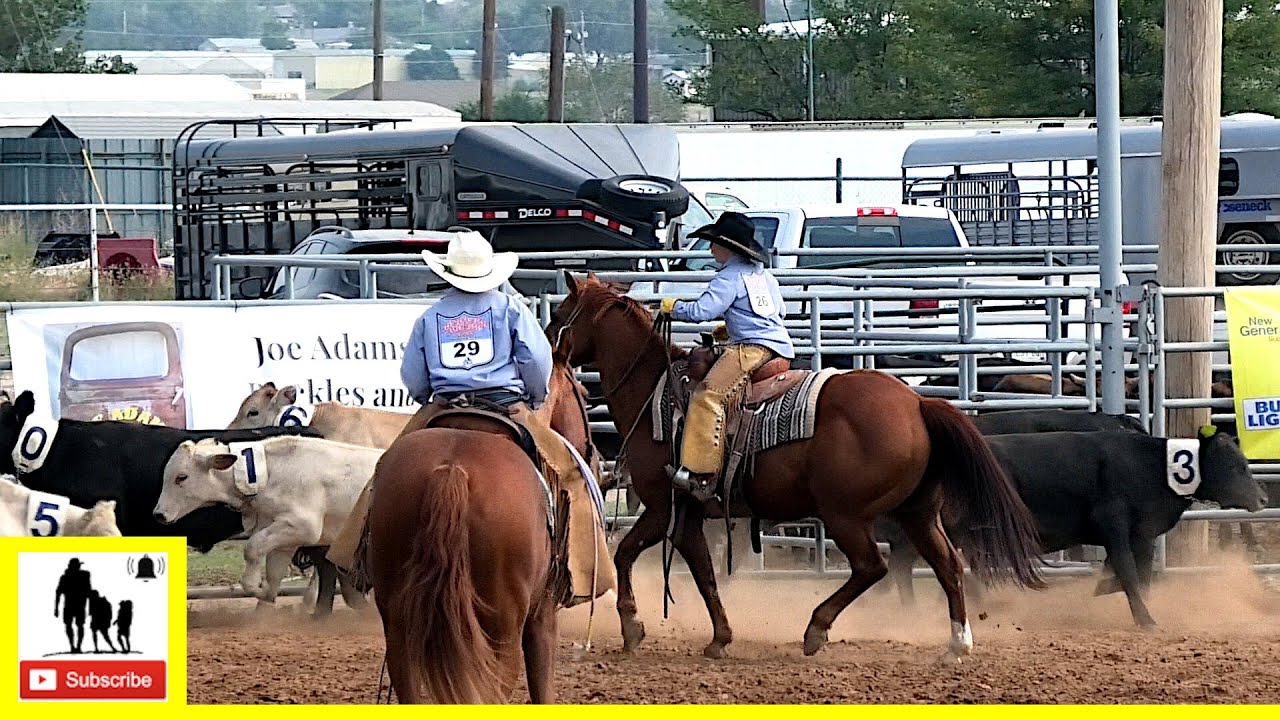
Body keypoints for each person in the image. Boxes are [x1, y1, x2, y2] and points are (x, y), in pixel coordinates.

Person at [326, 230, 615, 607]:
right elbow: (537, 362)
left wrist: (426, 398)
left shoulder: (431, 317)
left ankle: (355, 555)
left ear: (449, 272)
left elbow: (413, 375)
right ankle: (580, 574)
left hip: (444, 405)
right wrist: (535, 397)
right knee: (572, 475)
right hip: (505, 406)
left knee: (384, 472)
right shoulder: (511, 309)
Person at [659, 211, 795, 497]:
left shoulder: (728, 278)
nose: (710, 249)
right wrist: (734, 326)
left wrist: (674, 307)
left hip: (752, 348)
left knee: (708, 395)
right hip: (778, 345)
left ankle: (701, 474)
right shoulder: (761, 274)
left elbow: (702, 311)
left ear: (727, 247)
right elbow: (778, 312)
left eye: (714, 243)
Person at [54, 558, 92, 654]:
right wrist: (56, 608)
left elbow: (88, 591)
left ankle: (76, 646)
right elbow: (58, 592)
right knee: (74, 625)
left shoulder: (83, 575)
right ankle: (74, 646)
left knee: (76, 625)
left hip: (75, 605)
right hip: (75, 605)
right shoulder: (81, 576)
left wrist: (56, 608)